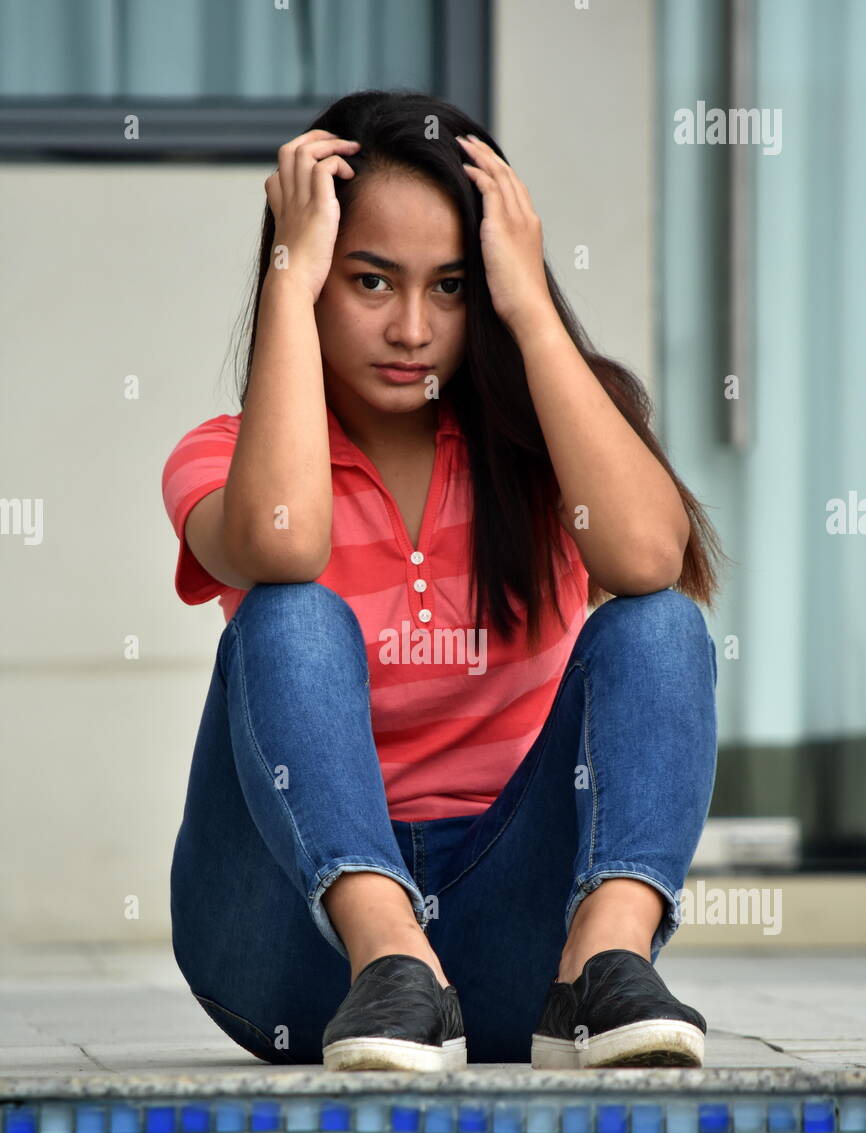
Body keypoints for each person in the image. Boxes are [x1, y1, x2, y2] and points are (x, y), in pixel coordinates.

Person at [161, 89, 727, 1074]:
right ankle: (390, 959)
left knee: (658, 623)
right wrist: (287, 279)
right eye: (370, 281)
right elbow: (282, 544)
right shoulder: (225, 458)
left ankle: (600, 969)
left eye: (452, 286)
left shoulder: (540, 449)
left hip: (510, 944)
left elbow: (645, 559)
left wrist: (528, 307)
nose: (413, 328)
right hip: (297, 959)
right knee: (285, 611)